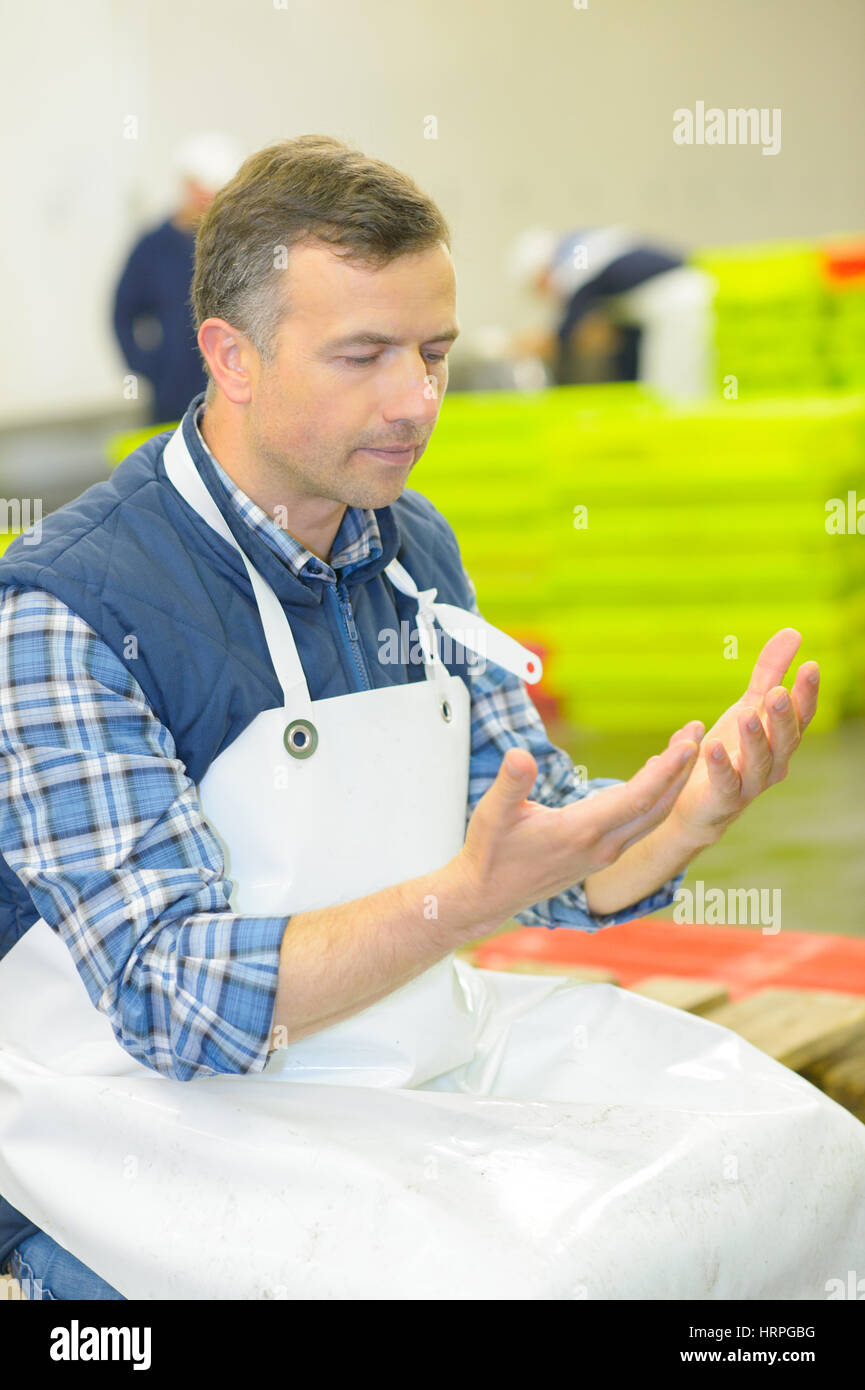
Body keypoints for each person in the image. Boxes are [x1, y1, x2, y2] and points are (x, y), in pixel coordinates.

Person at [0, 136, 862, 1301]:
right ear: (230, 356)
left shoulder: (408, 550)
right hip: (141, 1134)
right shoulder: (72, 609)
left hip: (386, 1060)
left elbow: (530, 833)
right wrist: (457, 897)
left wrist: (668, 824)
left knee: (797, 1160)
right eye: (364, 355)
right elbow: (172, 996)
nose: (418, 402)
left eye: (437, 354)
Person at [111, 132, 243, 423]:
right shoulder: (152, 247)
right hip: (172, 399)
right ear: (186, 184)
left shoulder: (236, 243)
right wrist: (150, 367)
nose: (207, 198)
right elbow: (122, 312)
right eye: (202, 188)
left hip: (231, 394)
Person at [508, 225, 717, 400]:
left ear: (544, 270)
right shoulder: (591, 252)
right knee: (666, 388)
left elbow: (565, 334)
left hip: (681, 307)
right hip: (681, 303)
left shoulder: (575, 264)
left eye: (539, 286)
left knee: (674, 391)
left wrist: (522, 346)